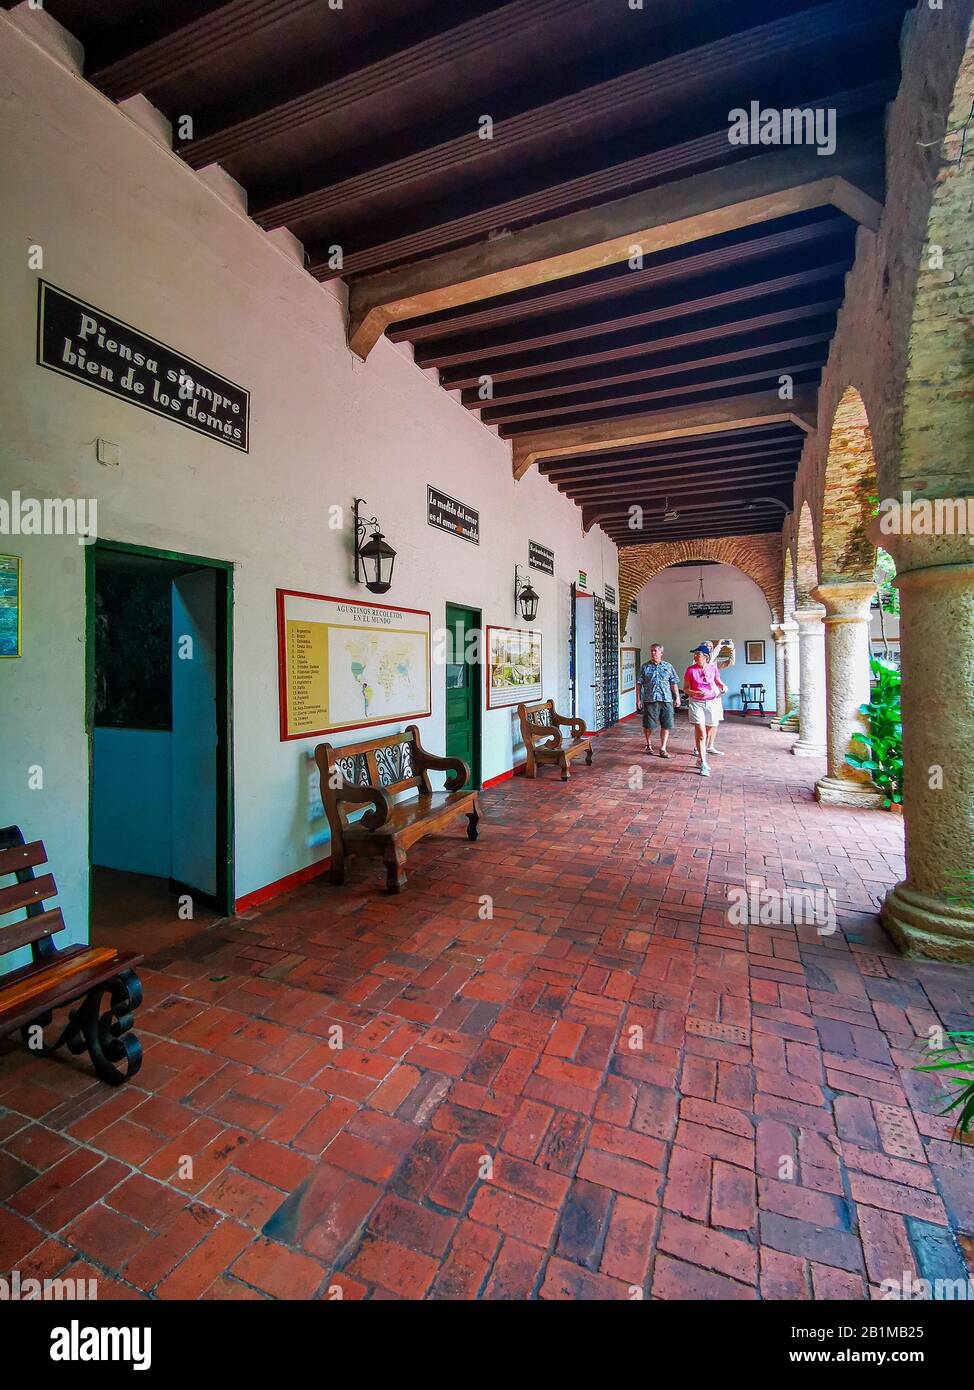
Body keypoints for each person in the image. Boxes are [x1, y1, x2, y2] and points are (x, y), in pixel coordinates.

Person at [684, 644, 728, 776]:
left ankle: (700, 758)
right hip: (696, 703)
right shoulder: (690, 670)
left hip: (711, 703)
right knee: (701, 733)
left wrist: (724, 687)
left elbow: (718, 682)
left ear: (706, 657)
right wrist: (693, 692)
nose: (695, 656)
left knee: (710, 730)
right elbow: (685, 688)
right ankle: (703, 763)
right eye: (695, 654)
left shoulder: (713, 668)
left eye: (698, 654)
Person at [691, 638, 735, 755]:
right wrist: (718, 647)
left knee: (714, 722)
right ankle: (699, 747)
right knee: (701, 724)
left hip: (715, 695)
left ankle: (710, 746)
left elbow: (730, 663)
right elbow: (708, 662)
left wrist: (732, 651)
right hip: (701, 697)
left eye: (711, 647)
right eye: (707, 647)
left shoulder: (714, 663)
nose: (710, 649)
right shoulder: (697, 661)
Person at [638, 643, 681, 757]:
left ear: (661, 653)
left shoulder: (668, 666)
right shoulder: (645, 667)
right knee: (649, 725)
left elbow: (673, 682)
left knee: (666, 724)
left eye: (655, 651)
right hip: (650, 700)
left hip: (666, 699)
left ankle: (663, 748)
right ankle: (648, 743)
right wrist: (638, 699)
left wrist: (677, 697)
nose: (653, 653)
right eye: (651, 651)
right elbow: (639, 684)